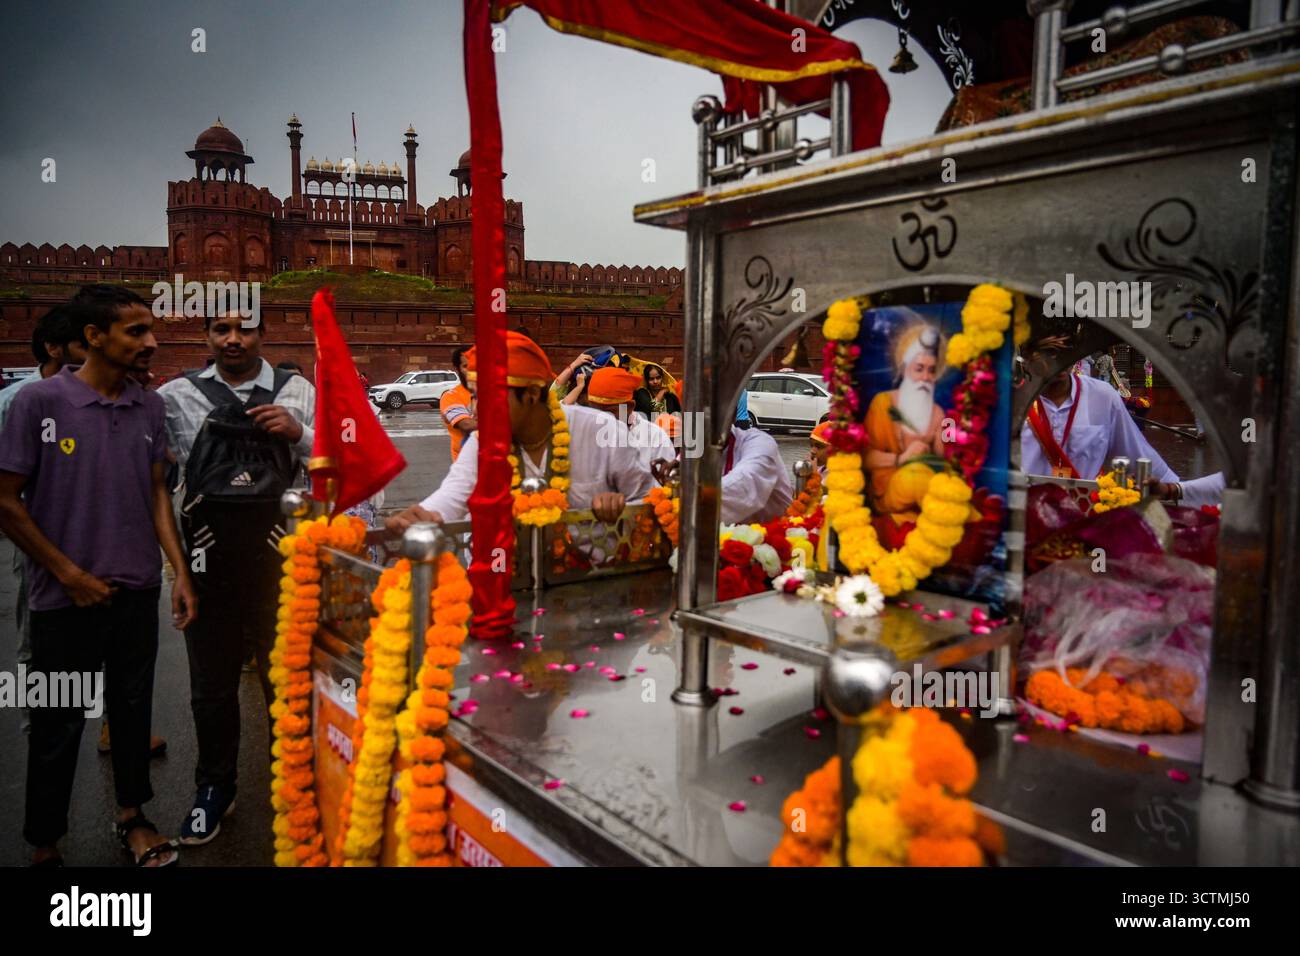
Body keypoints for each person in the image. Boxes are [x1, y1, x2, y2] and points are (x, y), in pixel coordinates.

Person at [0, 284, 196, 867]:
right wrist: (67, 572)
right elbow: (7, 500)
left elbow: (158, 490)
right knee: (58, 723)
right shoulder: (39, 403)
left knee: (132, 711)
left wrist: (179, 571)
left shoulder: (150, 406)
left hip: (135, 588)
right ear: (93, 337)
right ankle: (45, 842)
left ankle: (133, 818)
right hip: (63, 598)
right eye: (136, 331)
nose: (151, 342)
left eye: (150, 329)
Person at [157, 310, 315, 846]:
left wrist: (301, 433)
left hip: (279, 559)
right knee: (212, 686)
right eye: (220, 330)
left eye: (244, 328)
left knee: (285, 680)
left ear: (263, 333)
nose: (232, 339)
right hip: (207, 561)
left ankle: (292, 784)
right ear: (206, 337)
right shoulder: (175, 395)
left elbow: (337, 463)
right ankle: (213, 789)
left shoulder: (298, 391)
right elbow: (161, 487)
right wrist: (175, 569)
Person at [386, 331, 653, 530]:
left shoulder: (600, 431)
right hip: (505, 584)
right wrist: (421, 515)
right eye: (476, 397)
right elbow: (452, 498)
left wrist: (620, 506)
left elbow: (648, 500)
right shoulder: (483, 444)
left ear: (532, 393)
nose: (478, 411)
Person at [1021, 366, 1178, 482]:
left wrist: (1176, 490)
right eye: (1049, 350)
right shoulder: (1009, 395)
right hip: (1022, 516)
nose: (1059, 359)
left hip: (1085, 513)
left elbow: (1140, 457)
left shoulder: (1102, 395)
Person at [863, 323, 948, 520]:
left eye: (931, 370)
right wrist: (902, 458)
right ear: (905, 369)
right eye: (919, 369)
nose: (925, 377)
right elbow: (865, 458)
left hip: (928, 489)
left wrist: (945, 441)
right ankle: (948, 517)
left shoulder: (939, 413)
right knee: (916, 475)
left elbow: (948, 455)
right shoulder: (882, 403)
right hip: (888, 487)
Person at [584, 366, 676, 471]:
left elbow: (662, 482)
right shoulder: (582, 432)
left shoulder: (655, 437)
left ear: (630, 406)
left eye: (609, 411)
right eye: (594, 411)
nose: (600, 417)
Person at [722, 393, 793, 524]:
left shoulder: (760, 443)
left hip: (774, 539)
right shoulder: (695, 446)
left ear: (731, 414)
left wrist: (684, 498)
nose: (698, 426)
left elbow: (744, 485)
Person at [441, 345, 477, 462]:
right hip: (466, 468)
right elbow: (467, 426)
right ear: (457, 369)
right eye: (466, 366)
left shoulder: (494, 392)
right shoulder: (451, 396)